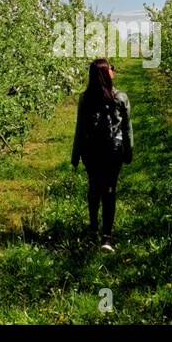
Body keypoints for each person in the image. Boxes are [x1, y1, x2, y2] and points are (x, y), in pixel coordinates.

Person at [71, 58, 133, 252]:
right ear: (107, 74)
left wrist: (76, 154)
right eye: (111, 69)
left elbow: (80, 128)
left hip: (91, 150)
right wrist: (128, 150)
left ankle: (93, 229)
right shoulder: (120, 98)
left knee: (94, 188)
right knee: (109, 190)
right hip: (113, 150)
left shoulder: (85, 98)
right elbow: (127, 127)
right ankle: (106, 237)